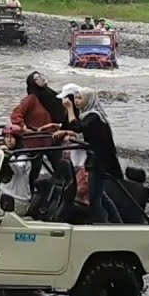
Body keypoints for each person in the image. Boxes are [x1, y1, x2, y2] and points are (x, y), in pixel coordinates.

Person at [53, 86, 123, 224]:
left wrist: (69, 109)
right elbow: (83, 133)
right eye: (76, 98)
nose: (77, 101)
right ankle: (117, 223)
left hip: (101, 162)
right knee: (101, 195)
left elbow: (77, 126)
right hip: (96, 160)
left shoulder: (94, 116)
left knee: (95, 199)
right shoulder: (89, 115)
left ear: (89, 100)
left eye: (80, 98)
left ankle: (103, 225)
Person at [0, 125, 35, 216]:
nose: (9, 140)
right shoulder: (2, 153)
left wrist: (8, 156)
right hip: (4, 194)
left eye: (12, 137)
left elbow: (18, 167)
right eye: (7, 137)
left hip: (18, 200)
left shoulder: (23, 156)